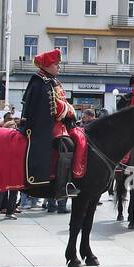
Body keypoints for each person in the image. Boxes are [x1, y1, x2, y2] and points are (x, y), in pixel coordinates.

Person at [19, 49, 86, 196]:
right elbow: (54, 106)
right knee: (67, 144)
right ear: (48, 65)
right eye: (56, 64)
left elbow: (61, 102)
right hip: (43, 124)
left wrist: (68, 108)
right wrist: (70, 110)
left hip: (55, 123)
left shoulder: (50, 80)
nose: (59, 67)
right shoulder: (41, 82)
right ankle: (62, 186)